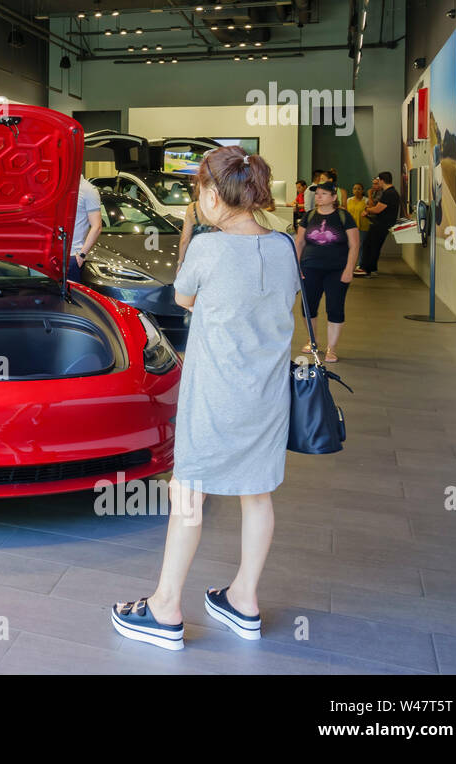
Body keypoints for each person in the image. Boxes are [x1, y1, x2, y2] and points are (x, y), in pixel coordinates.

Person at [110, 146, 299, 652]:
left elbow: (184, 297)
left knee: (188, 494)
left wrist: (192, 233)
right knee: (257, 494)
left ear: (213, 194)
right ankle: (244, 601)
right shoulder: (284, 246)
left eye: (199, 192)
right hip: (267, 393)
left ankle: (165, 608)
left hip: (215, 393)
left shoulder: (208, 249)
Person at [294, 181, 360, 362]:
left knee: (335, 307)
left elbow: (354, 245)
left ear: (333, 197)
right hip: (310, 268)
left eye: (323, 194)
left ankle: (332, 348)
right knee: (308, 307)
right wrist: (296, 266)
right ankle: (312, 341)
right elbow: (299, 242)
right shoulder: (309, 216)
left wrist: (349, 270)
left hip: (336, 270)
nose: (318, 197)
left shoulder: (343, 217)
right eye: (317, 194)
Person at [355, 171, 401, 276]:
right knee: (373, 246)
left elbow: (377, 209)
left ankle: (365, 269)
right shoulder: (391, 192)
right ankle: (371, 268)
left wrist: (367, 209)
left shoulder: (389, 193)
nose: (377, 183)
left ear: (382, 180)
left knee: (369, 245)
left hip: (381, 224)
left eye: (378, 181)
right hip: (382, 223)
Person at [66, 176, 102, 284]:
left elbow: (97, 226)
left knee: (70, 297)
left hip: (73, 256)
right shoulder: (57, 188)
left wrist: (82, 254)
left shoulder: (88, 190)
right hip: (51, 255)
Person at [346, 182, 370, 256]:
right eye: (355, 189)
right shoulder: (348, 200)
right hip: (351, 226)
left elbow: (370, 211)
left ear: (362, 191)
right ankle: (350, 263)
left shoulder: (366, 200)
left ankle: (360, 264)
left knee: (360, 245)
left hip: (362, 226)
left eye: (359, 189)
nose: (356, 190)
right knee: (350, 245)